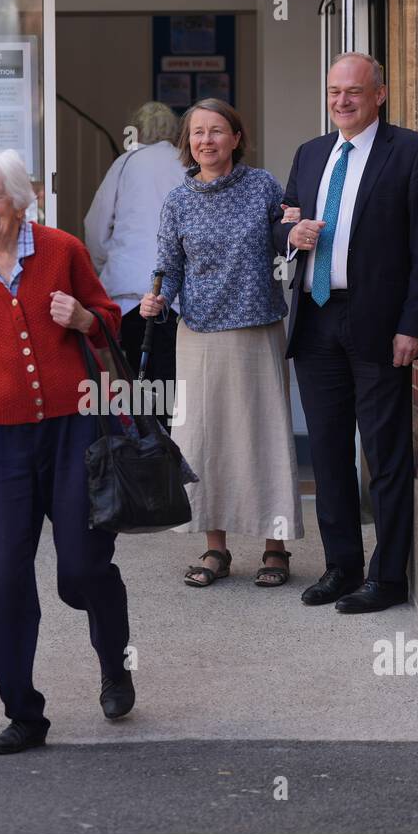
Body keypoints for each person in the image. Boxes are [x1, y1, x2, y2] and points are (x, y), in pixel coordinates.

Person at [0, 147, 131, 755]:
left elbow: (110, 319)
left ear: (19, 201)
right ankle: (23, 713)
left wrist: (85, 320)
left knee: (82, 568)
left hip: (73, 432)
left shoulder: (62, 250)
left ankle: (114, 664)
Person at [274, 52, 418, 614]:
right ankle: (341, 567)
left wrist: (412, 326)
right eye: (334, 91)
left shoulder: (411, 153)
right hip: (317, 316)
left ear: (380, 94)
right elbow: (282, 226)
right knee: (326, 453)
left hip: (379, 324)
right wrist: (292, 234)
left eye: (354, 91)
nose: (342, 101)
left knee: (386, 452)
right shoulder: (311, 154)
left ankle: (388, 577)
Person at [139, 98, 304, 589]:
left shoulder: (263, 186)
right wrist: (157, 299)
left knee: (265, 437)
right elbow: (169, 266)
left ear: (236, 137)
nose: (206, 141)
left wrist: (295, 228)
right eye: (197, 133)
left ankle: (276, 549)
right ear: (187, 144)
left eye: (216, 131)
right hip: (199, 335)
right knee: (205, 441)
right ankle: (216, 549)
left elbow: (286, 239)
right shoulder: (178, 200)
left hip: (257, 330)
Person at [84, 102, 184, 427]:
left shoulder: (126, 163)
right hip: (180, 297)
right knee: (174, 386)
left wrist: (106, 265)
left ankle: (145, 454)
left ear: (136, 132)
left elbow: (95, 227)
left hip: (129, 295)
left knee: (136, 387)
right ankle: (175, 456)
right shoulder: (190, 164)